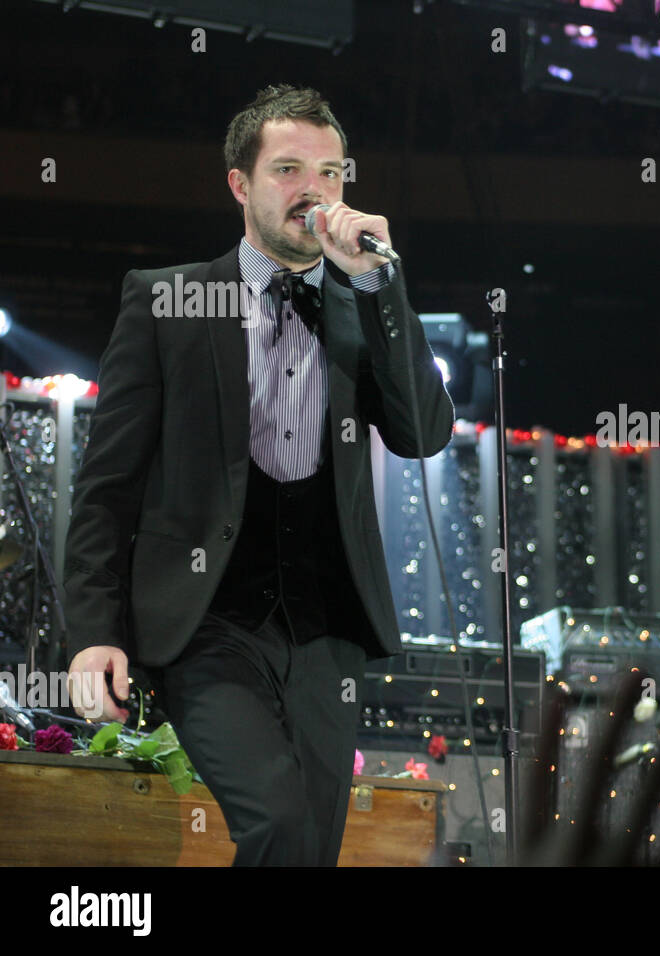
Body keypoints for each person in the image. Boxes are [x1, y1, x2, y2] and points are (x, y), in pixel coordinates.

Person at [62, 85, 454, 865]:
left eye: (330, 172)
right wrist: (94, 634)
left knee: (311, 847)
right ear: (240, 184)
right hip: (208, 623)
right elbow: (107, 489)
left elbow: (422, 433)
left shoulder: (362, 305)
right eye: (288, 169)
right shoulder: (167, 301)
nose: (314, 189)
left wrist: (379, 287)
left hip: (327, 633)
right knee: (277, 823)